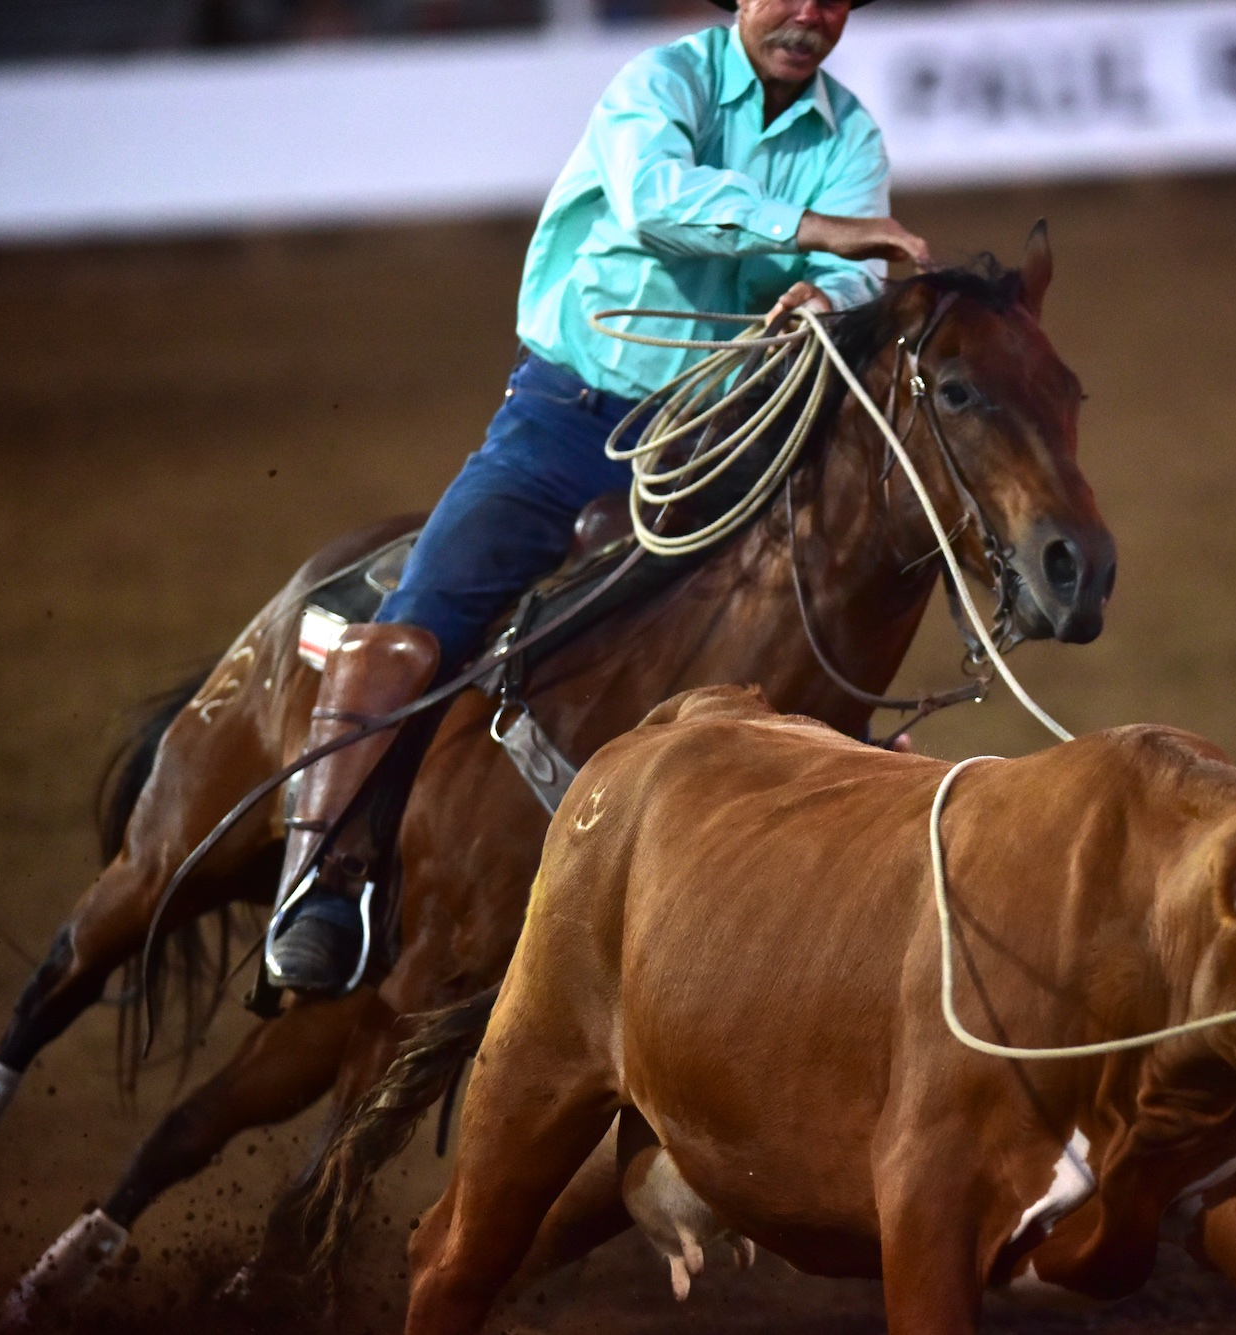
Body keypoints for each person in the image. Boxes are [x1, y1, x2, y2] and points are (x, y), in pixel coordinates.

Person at [269, 0, 932, 992]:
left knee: (789, 618)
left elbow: (859, 277)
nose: (809, 14)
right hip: (564, 421)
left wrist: (828, 291)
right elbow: (653, 197)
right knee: (423, 619)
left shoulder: (849, 135)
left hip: (714, 433)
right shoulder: (659, 85)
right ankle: (320, 881)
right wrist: (818, 233)